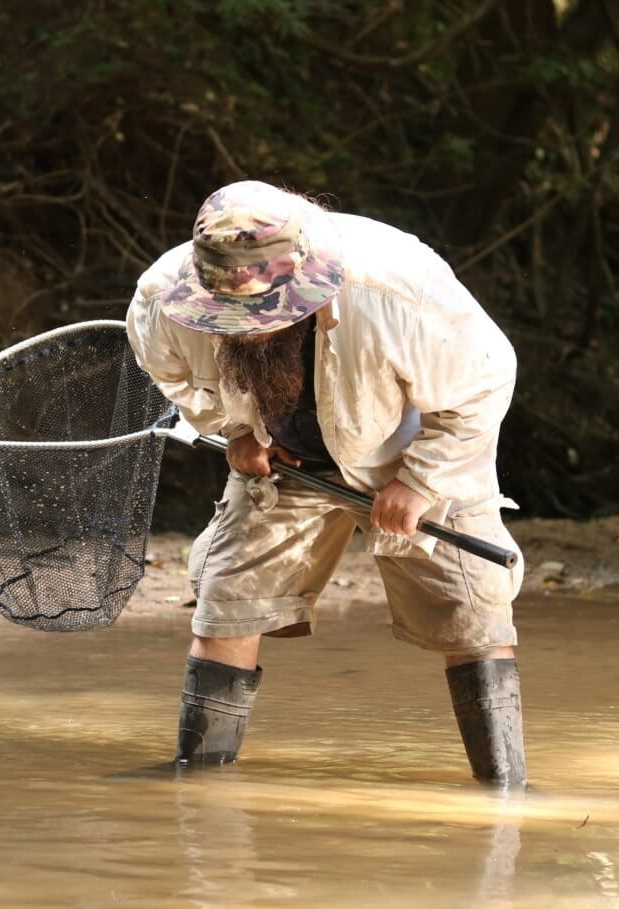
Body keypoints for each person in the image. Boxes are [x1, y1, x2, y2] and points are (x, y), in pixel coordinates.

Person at [126, 180, 526, 786]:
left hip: (413, 444)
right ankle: (198, 783)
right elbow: (175, 376)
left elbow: (484, 385)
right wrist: (236, 431)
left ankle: (506, 791)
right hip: (284, 453)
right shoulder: (163, 298)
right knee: (229, 598)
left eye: (262, 311)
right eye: (229, 315)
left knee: (472, 610)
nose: (247, 326)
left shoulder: (396, 290)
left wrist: (420, 483)